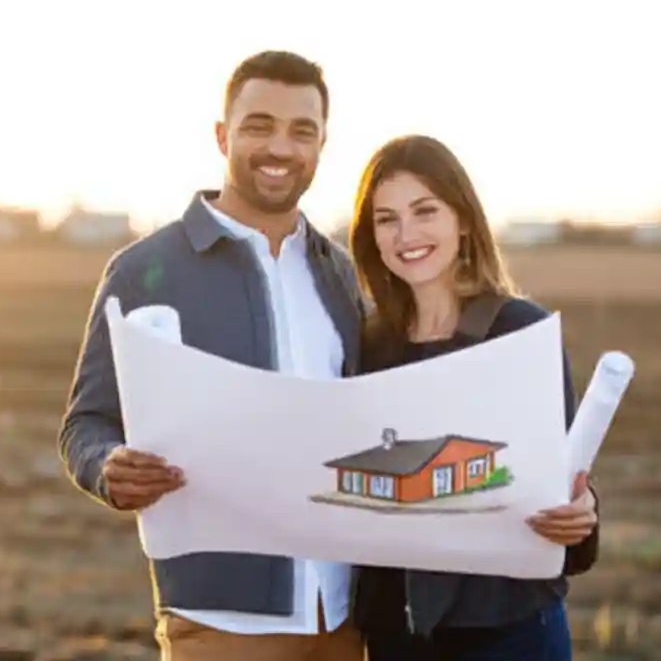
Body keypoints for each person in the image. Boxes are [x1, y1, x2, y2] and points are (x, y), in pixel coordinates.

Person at [58, 50, 366, 660]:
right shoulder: (144, 270)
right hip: (218, 622)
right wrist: (107, 467)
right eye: (259, 126)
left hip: (345, 618)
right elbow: (85, 424)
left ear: (322, 145)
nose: (281, 147)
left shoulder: (344, 277)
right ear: (223, 136)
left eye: (301, 131)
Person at [345, 134, 600, 660]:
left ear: (462, 219)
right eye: (387, 219)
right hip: (397, 633)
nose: (406, 234)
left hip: (509, 626)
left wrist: (582, 510)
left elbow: (565, 475)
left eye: (424, 211)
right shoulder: (367, 343)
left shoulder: (518, 332)